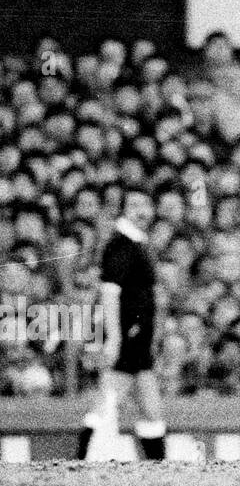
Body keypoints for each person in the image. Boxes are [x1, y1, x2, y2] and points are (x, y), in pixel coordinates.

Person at [76, 189, 168, 461]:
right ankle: (81, 459)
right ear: (123, 211)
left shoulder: (137, 243)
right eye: (135, 205)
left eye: (146, 204)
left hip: (138, 334)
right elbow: (109, 293)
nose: (142, 210)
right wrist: (115, 338)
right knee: (110, 395)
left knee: (150, 404)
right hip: (128, 333)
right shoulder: (121, 245)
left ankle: (159, 465)